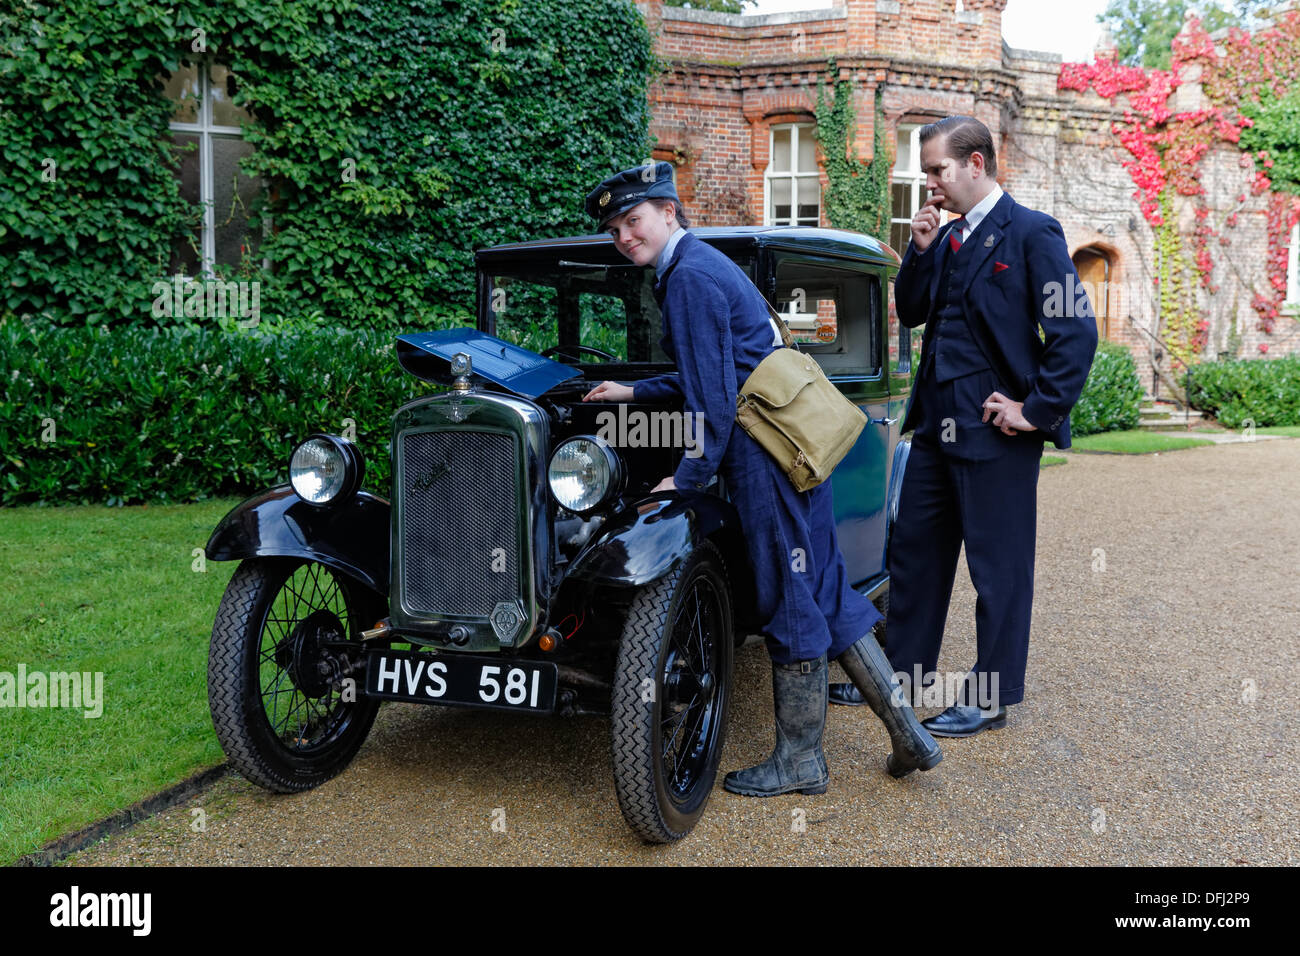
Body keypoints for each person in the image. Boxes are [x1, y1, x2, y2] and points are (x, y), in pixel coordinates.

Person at [580, 162, 941, 794]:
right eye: (615, 229)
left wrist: (685, 479)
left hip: (763, 450)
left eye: (632, 221)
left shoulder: (688, 276)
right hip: (794, 441)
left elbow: (716, 401)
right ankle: (909, 733)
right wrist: (637, 389)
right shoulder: (703, 266)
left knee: (788, 594)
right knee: (825, 587)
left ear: (669, 212)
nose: (624, 237)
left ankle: (801, 759)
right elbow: (720, 367)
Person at [828, 116, 1097, 737]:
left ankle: (990, 695)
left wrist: (1034, 412)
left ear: (976, 164)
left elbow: (1075, 332)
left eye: (937, 170)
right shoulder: (947, 239)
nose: (930, 184)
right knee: (915, 556)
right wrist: (919, 251)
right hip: (935, 429)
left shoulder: (1032, 233)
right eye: (925, 172)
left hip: (997, 436)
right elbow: (915, 312)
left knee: (998, 569)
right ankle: (900, 676)